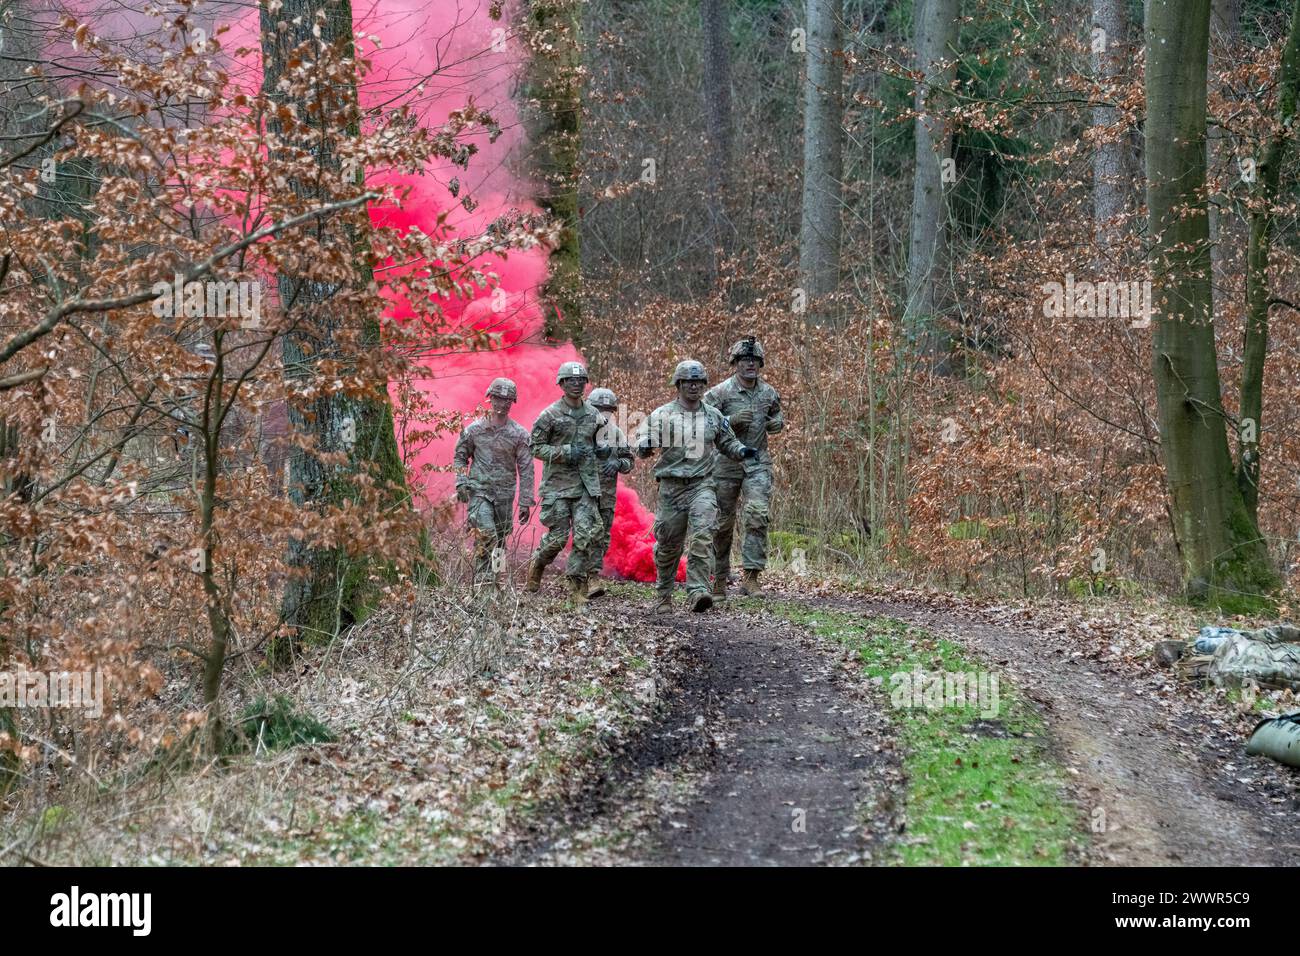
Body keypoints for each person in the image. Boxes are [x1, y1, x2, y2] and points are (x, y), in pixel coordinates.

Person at [636, 360, 757, 613]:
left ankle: (698, 591)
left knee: (703, 535)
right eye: (689, 382)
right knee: (669, 544)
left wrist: (743, 451)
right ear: (678, 385)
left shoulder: (713, 416)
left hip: (702, 486)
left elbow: (728, 442)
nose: (694, 386)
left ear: (704, 385)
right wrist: (646, 445)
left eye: (699, 382)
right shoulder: (663, 414)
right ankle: (664, 595)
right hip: (671, 488)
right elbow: (644, 439)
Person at [705, 336, 784, 598]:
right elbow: (702, 424)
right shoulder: (719, 393)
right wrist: (729, 421)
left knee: (757, 515)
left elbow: (777, 415)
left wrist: (777, 423)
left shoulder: (768, 392)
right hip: (726, 463)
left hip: (757, 462)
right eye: (744, 360)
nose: (749, 364)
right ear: (735, 363)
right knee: (721, 523)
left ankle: (751, 579)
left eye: (754, 360)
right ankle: (718, 579)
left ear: (760, 363)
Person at [526, 361, 603, 603]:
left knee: (585, 535)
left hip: (585, 486)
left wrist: (603, 452)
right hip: (557, 486)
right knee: (559, 537)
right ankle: (538, 562)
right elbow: (535, 448)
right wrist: (566, 452)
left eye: (581, 380)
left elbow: (600, 443)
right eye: (571, 380)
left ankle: (576, 589)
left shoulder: (594, 414)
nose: (577, 384)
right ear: (561, 383)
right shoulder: (549, 415)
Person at [452, 378, 534, 590]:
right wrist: (461, 481)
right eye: (498, 398)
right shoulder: (474, 430)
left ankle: (497, 581)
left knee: (499, 541)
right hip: (479, 492)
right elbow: (460, 457)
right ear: (490, 399)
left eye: (507, 400)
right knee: (486, 534)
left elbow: (526, 469)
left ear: (512, 402)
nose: (502, 404)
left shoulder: (519, 434)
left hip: (505, 496)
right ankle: (483, 581)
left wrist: (525, 501)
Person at [584, 387, 634, 599]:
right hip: (582, 492)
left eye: (607, 410)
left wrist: (617, 463)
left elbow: (629, 461)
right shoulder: (580, 431)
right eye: (598, 409)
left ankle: (589, 574)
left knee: (602, 536)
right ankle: (588, 576)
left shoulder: (616, 434)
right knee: (588, 532)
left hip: (606, 494)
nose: (603, 414)